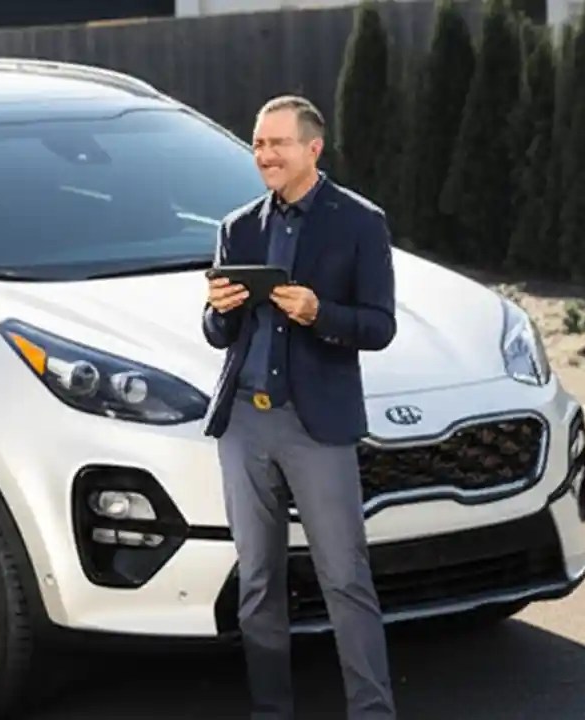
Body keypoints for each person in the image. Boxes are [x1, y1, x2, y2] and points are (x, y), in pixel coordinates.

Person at [201, 95, 398, 720]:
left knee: (345, 579)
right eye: (258, 144)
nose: (264, 155)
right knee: (257, 582)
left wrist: (321, 314)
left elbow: (380, 325)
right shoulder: (238, 227)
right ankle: (271, 711)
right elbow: (215, 332)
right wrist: (220, 310)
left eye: (276, 144)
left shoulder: (360, 223)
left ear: (313, 148)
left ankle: (372, 712)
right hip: (243, 424)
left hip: (318, 427)